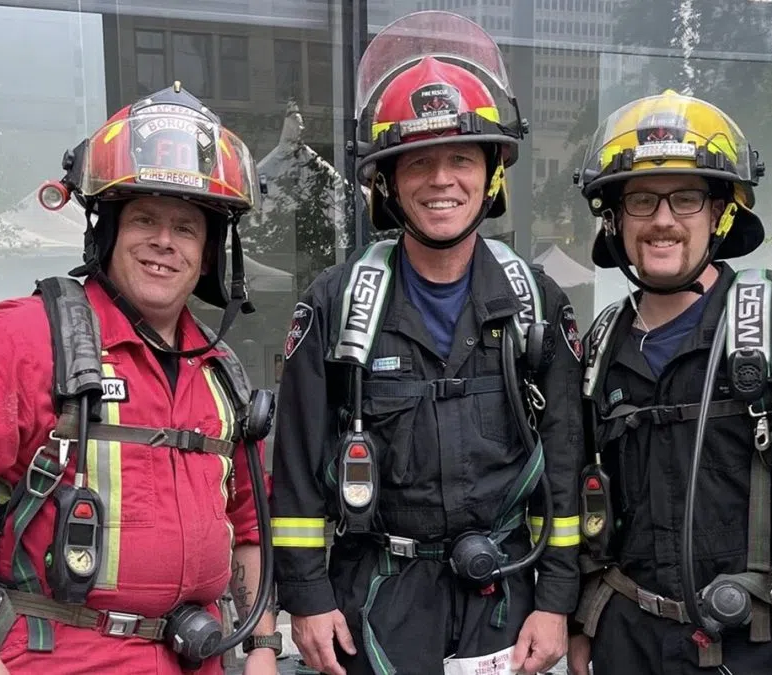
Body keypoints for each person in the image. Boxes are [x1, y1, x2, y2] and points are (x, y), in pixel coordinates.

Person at [0, 83, 281, 674]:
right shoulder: (24, 338)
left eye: (187, 228)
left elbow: (250, 524)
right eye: (144, 218)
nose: (163, 244)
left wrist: (262, 648)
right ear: (108, 234)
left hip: (203, 656)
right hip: (56, 657)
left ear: (209, 253)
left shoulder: (219, 371)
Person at [269, 11, 585, 675]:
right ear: (387, 181)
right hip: (373, 598)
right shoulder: (334, 303)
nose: (441, 179)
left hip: (500, 595)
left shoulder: (539, 304)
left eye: (461, 158)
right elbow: (296, 469)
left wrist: (555, 599)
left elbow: (562, 471)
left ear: (492, 172)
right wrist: (306, 596)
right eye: (419, 160)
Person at [567, 90, 772, 675]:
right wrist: (583, 620)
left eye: (686, 198)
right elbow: (580, 500)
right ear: (614, 218)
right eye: (640, 201)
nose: (662, 220)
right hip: (626, 643)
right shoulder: (601, 347)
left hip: (756, 644)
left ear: (721, 213)